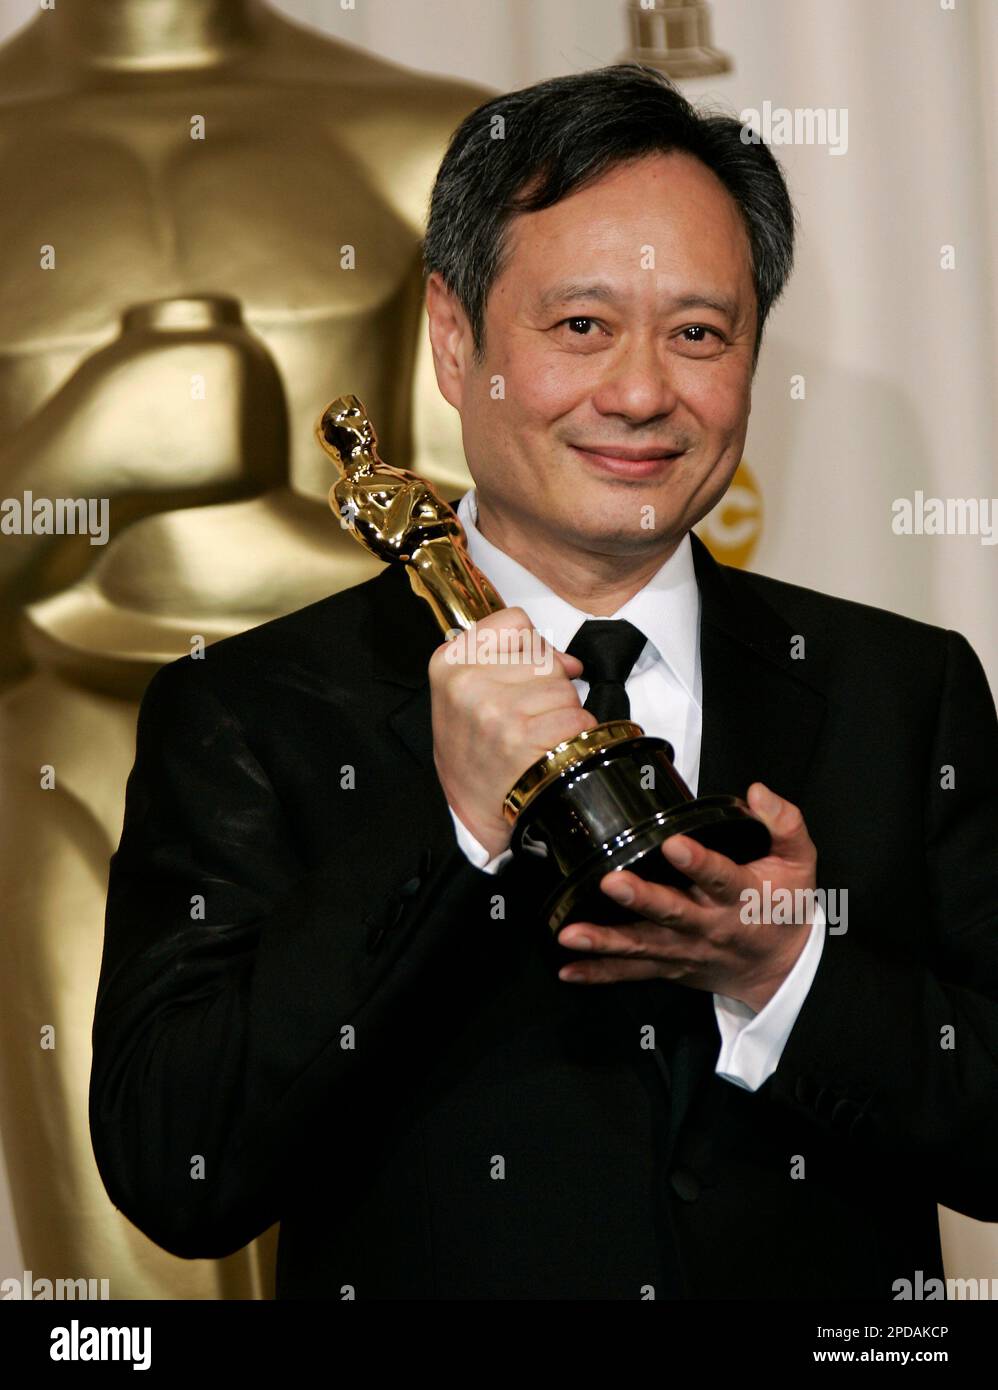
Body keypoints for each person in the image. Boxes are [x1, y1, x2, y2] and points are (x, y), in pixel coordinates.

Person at [90, 65, 998, 1300]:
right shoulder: (252, 711)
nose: (639, 393)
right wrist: (449, 824)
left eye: (698, 332)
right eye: (579, 327)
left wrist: (785, 975)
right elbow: (175, 1164)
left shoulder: (904, 691)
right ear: (454, 342)